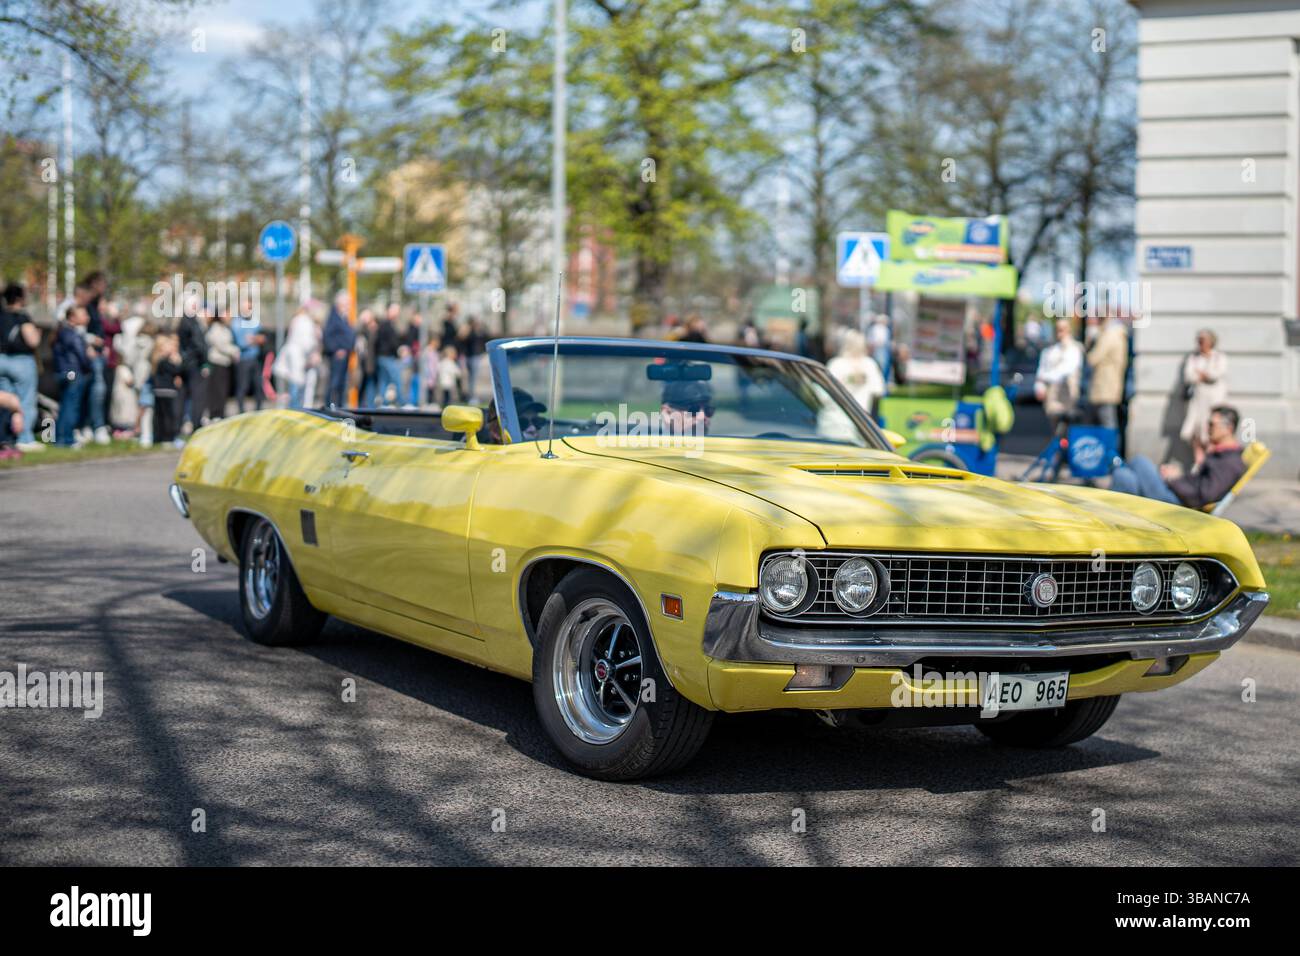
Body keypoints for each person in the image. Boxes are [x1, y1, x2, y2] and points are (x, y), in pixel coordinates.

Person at [1109, 406, 1246, 510]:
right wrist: (1178, 476)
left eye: (1211, 424)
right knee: (1124, 477)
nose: (1207, 428)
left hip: (1178, 504)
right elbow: (1199, 483)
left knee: (1139, 461)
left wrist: (1173, 480)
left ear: (1228, 428)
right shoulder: (1222, 455)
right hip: (1177, 494)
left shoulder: (1229, 462)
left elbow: (1203, 497)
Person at [0, 283, 44, 451]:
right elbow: (32, 340)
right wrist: (37, 335)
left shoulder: (1, 316)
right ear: (19, 298)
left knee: (6, 403)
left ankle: (6, 438)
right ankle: (24, 438)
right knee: (25, 401)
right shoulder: (21, 316)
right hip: (21, 361)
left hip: (1, 360)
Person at [1180, 329, 1228, 468]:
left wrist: (1204, 375)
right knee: (1196, 432)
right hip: (1198, 401)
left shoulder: (1219, 357)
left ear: (1211, 342)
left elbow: (1217, 374)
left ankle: (1209, 463)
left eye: (1203, 340)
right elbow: (1189, 376)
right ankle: (1199, 462)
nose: (1200, 343)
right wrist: (1202, 375)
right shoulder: (1194, 358)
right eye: (1199, 340)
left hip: (1214, 401)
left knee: (1211, 431)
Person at [53, 305, 94, 446]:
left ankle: (60, 439)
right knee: (71, 407)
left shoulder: (63, 332)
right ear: (72, 317)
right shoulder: (71, 334)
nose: (87, 317)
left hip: (65, 373)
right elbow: (82, 355)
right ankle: (67, 439)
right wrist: (90, 362)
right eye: (83, 314)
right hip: (73, 373)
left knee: (65, 406)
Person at [1034, 318, 1084, 434]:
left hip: (1068, 397)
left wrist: (1046, 377)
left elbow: (1067, 369)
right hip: (1052, 398)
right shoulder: (1050, 350)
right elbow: (1042, 369)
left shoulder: (1074, 349)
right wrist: (1039, 386)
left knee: (1067, 430)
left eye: (1063, 329)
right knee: (1055, 429)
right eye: (1058, 329)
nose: (1060, 333)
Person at [1085, 309, 1128, 431]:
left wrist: (1090, 340)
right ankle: (1110, 448)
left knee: (1107, 423)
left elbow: (1093, 358)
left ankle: (1110, 449)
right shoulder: (1118, 333)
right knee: (1108, 422)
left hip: (1104, 386)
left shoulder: (1109, 335)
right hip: (1110, 385)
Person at [826, 329, 885, 417]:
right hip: (860, 419)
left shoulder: (835, 364)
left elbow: (823, 393)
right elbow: (879, 390)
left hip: (834, 417)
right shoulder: (869, 364)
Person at [273, 307, 321, 410]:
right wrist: (312, 355)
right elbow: (307, 343)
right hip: (298, 360)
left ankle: (294, 409)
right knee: (297, 388)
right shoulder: (304, 321)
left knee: (295, 387)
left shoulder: (299, 321)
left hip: (297, 360)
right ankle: (296, 410)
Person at [177, 296, 208, 431]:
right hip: (193, 363)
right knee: (197, 395)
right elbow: (199, 345)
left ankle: (182, 423)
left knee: (184, 395)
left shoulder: (184, 321)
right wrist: (204, 362)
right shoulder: (191, 322)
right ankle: (195, 423)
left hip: (187, 362)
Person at [205, 311, 241, 420]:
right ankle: (215, 414)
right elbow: (221, 345)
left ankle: (220, 413)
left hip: (225, 364)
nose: (230, 317)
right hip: (217, 363)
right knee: (217, 390)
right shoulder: (215, 328)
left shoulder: (226, 328)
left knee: (223, 391)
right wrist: (234, 351)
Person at [149, 334, 184, 445]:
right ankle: (167, 438)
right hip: (167, 392)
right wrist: (177, 362)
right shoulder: (163, 361)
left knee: (159, 416)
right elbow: (176, 370)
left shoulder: (157, 361)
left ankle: (158, 438)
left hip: (158, 391)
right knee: (168, 416)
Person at [231, 304, 266, 413]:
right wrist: (255, 340)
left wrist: (255, 339)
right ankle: (241, 410)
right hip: (243, 359)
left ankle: (259, 410)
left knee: (258, 385)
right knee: (243, 386)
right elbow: (242, 342)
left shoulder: (255, 321)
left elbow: (262, 338)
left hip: (255, 358)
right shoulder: (236, 323)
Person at [322, 291, 354, 408]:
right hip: (337, 356)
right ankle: (328, 406)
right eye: (347, 303)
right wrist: (336, 349)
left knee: (341, 383)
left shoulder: (343, 317)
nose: (349, 306)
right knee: (334, 383)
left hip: (345, 355)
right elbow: (327, 335)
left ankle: (339, 406)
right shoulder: (334, 317)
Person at [374, 303, 403, 407]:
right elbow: (393, 342)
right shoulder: (387, 324)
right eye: (396, 310)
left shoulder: (384, 324)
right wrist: (399, 351)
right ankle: (402, 402)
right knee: (397, 379)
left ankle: (382, 403)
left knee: (384, 381)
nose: (398, 313)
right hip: (387, 357)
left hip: (382, 356)